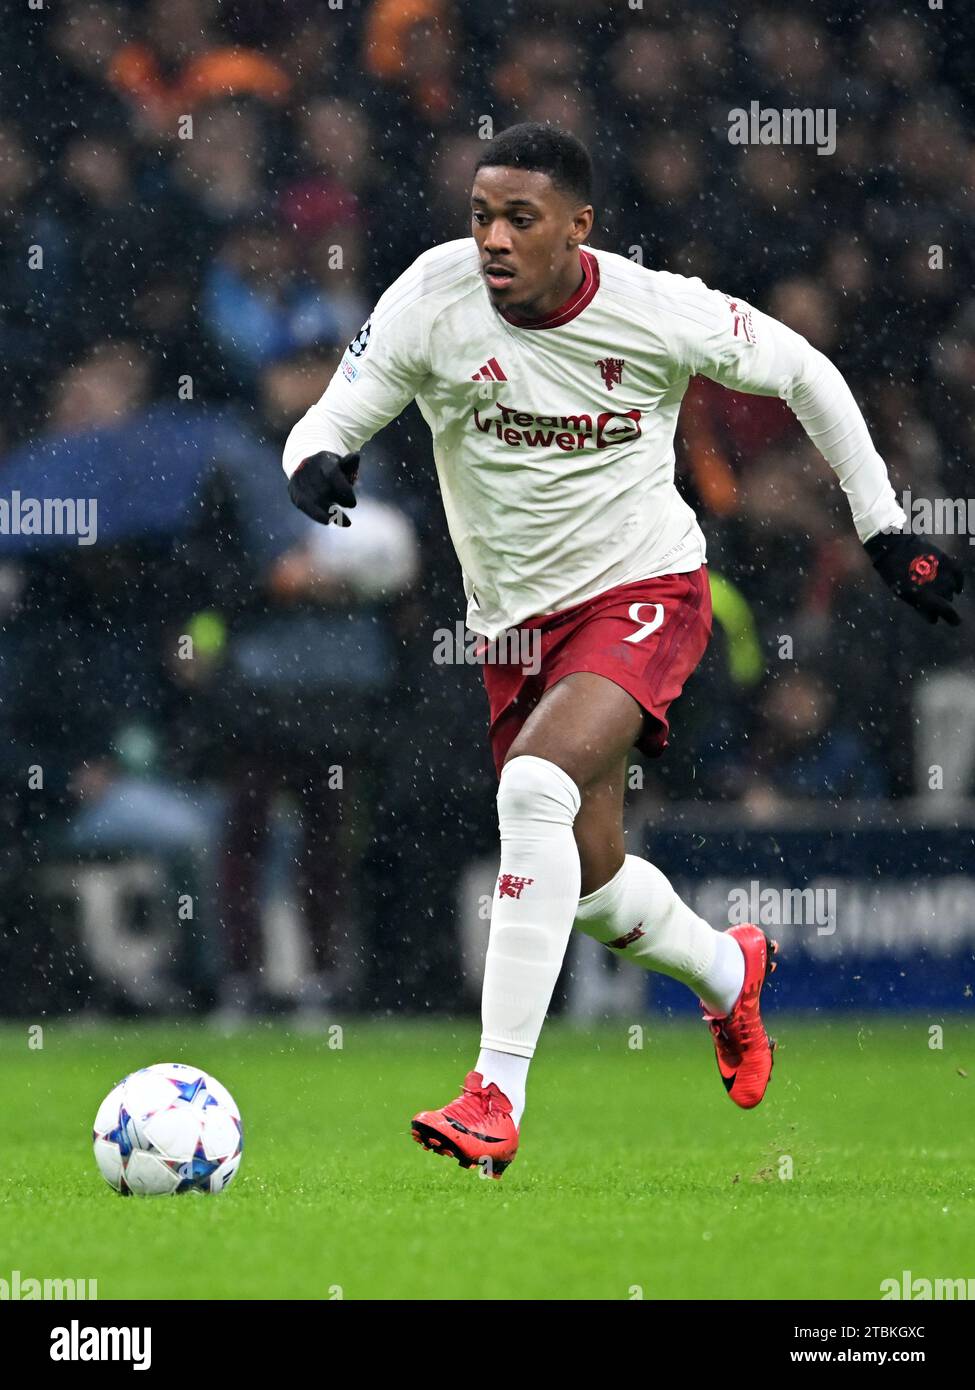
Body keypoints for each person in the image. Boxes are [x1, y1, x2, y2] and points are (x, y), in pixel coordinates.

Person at [280, 123, 964, 1178]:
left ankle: (493, 1095)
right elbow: (333, 414)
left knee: (532, 789)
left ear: (578, 229)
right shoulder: (432, 299)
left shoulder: (654, 309)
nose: (493, 239)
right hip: (514, 628)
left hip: (643, 592)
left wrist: (881, 527)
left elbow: (808, 373)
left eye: (520, 219)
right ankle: (731, 977)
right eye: (481, 216)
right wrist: (317, 460)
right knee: (592, 883)